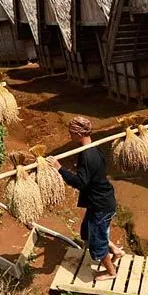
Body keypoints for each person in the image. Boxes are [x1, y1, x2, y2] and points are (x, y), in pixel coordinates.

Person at [48, 116, 125, 281]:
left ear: (77, 133)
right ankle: (116, 251)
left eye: (70, 132)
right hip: (100, 200)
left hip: (100, 205)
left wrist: (59, 168)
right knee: (87, 232)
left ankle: (112, 273)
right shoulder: (95, 148)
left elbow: (81, 182)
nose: (69, 135)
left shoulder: (87, 155)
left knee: (97, 243)